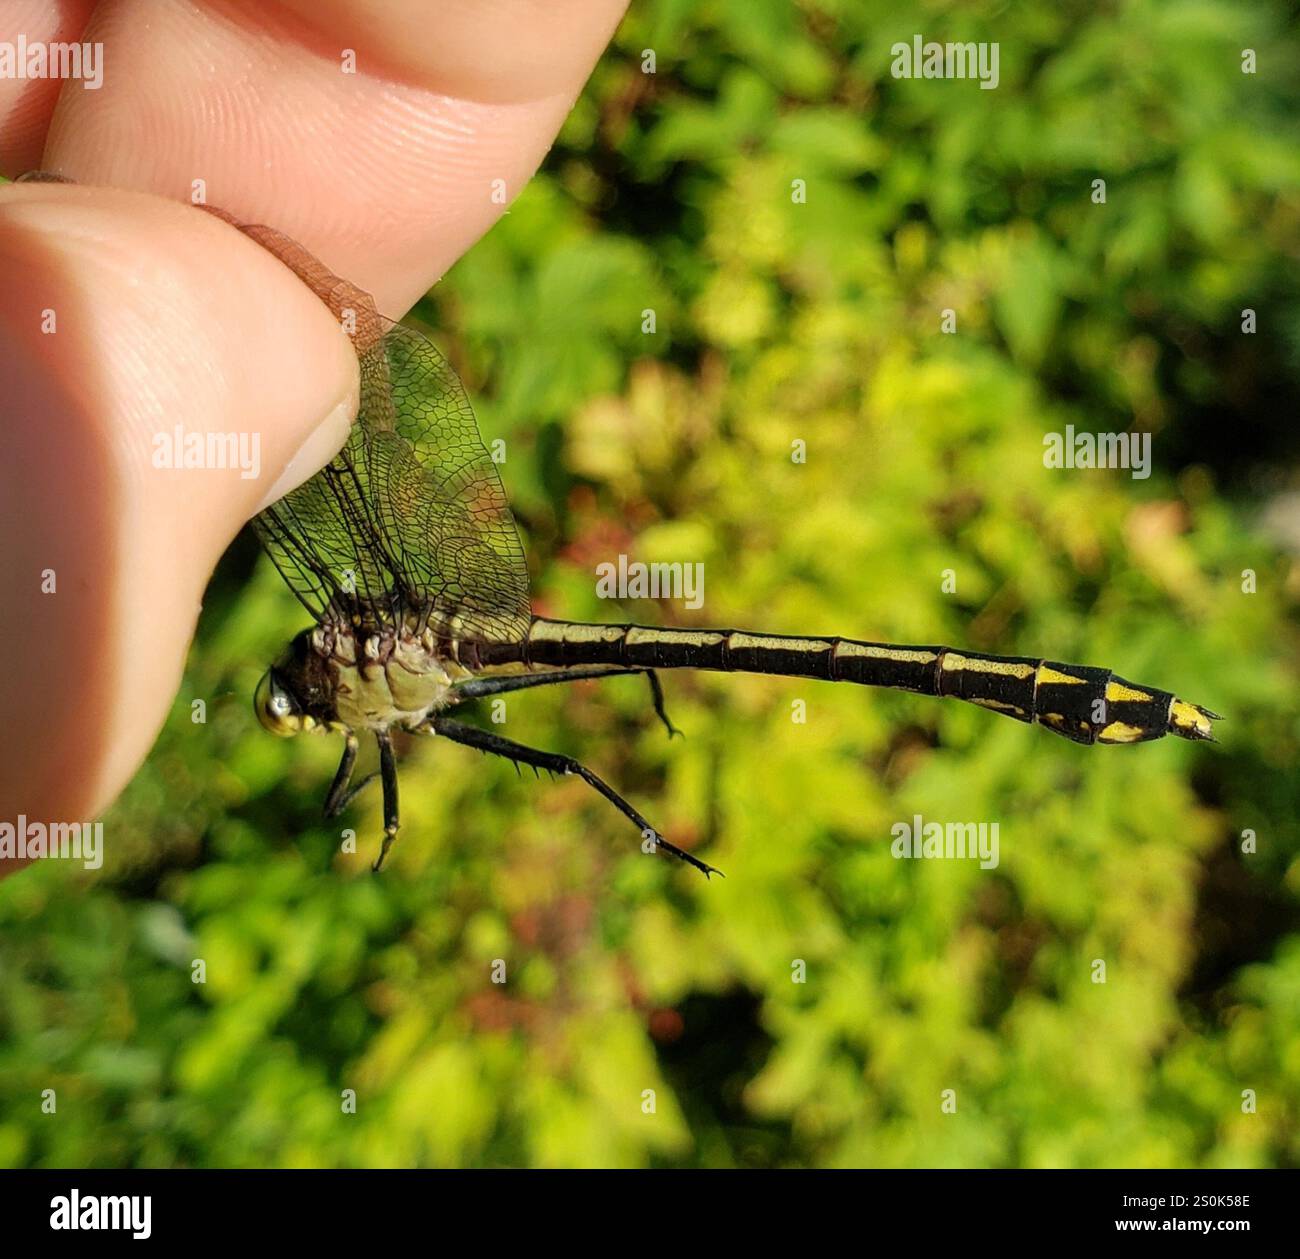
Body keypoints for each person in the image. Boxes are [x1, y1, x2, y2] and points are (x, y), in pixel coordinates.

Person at [0, 0, 629, 874]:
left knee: (565, 751)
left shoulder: (367, 675)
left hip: (437, 643)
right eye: (301, 702)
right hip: (440, 644)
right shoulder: (369, 684)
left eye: (299, 701)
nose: (307, 708)